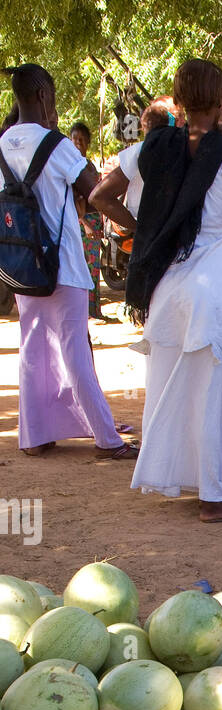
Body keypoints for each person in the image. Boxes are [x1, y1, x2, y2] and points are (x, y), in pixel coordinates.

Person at [90, 58, 222, 522]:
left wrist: (148, 232)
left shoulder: (155, 148)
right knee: (208, 397)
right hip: (212, 292)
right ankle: (212, 498)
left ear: (180, 99)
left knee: (171, 390)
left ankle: (198, 483)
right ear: (221, 99)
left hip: (168, 289)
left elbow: (100, 197)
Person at [0, 65, 132, 458]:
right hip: (63, 264)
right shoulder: (56, 145)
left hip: (21, 263)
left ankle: (34, 437)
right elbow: (96, 191)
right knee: (76, 350)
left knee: (32, 346)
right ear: (43, 96)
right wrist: (137, 229)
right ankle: (107, 439)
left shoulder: (3, 144)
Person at [68, 121, 103, 318]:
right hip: (82, 223)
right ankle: (85, 311)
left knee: (94, 268)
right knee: (84, 268)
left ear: (88, 143)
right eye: (75, 140)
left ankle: (94, 309)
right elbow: (74, 200)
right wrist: (85, 223)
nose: (78, 143)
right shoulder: (71, 168)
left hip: (93, 219)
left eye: (81, 140)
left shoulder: (87, 165)